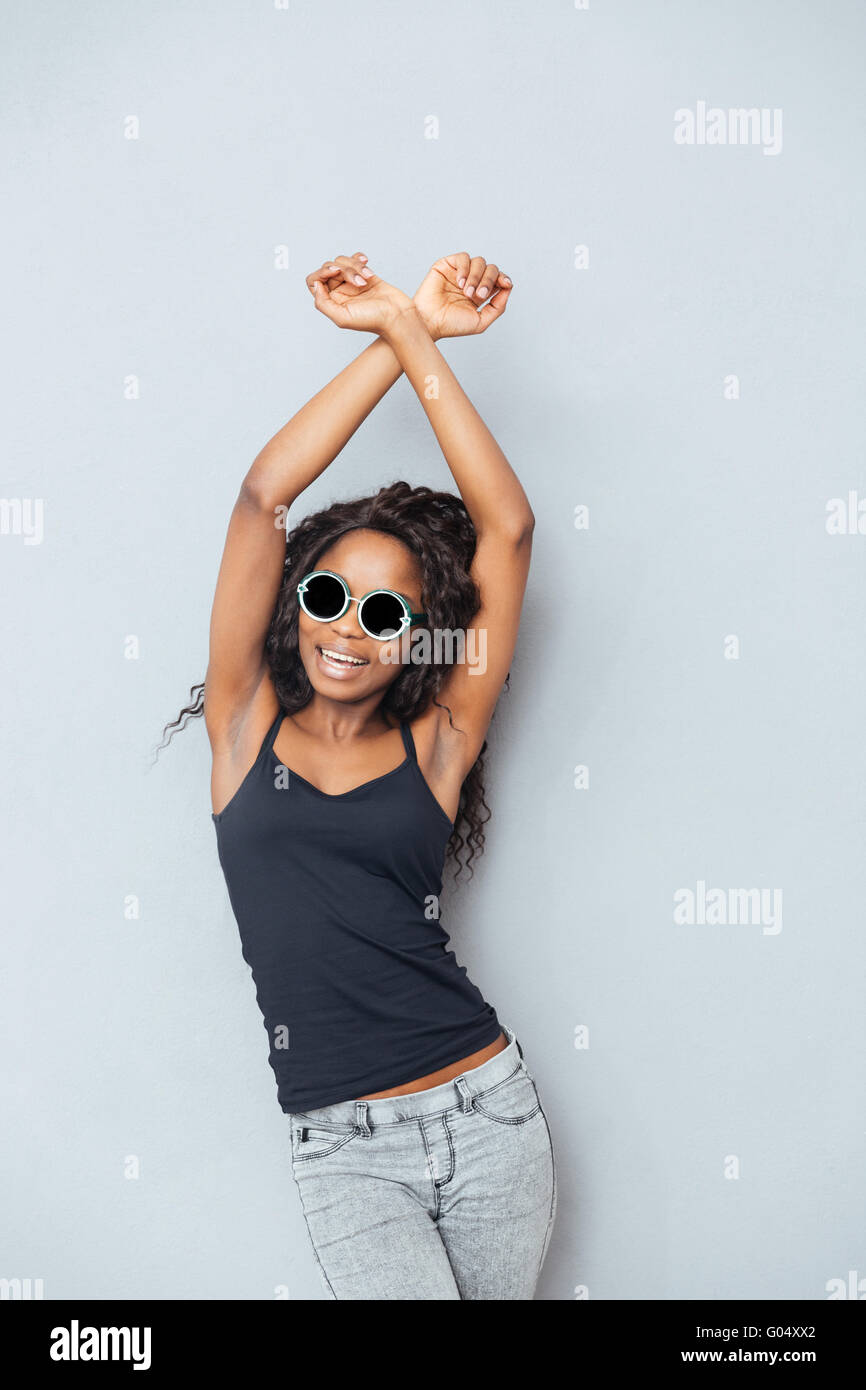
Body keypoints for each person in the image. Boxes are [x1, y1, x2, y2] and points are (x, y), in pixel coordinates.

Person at [164, 250, 556, 1299]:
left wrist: (418, 335)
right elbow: (262, 496)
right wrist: (392, 330)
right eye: (331, 594)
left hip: (488, 1112)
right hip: (342, 1147)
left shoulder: (438, 741)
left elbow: (508, 532)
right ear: (297, 596)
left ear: (416, 640)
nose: (349, 628)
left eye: (386, 615)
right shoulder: (242, 726)